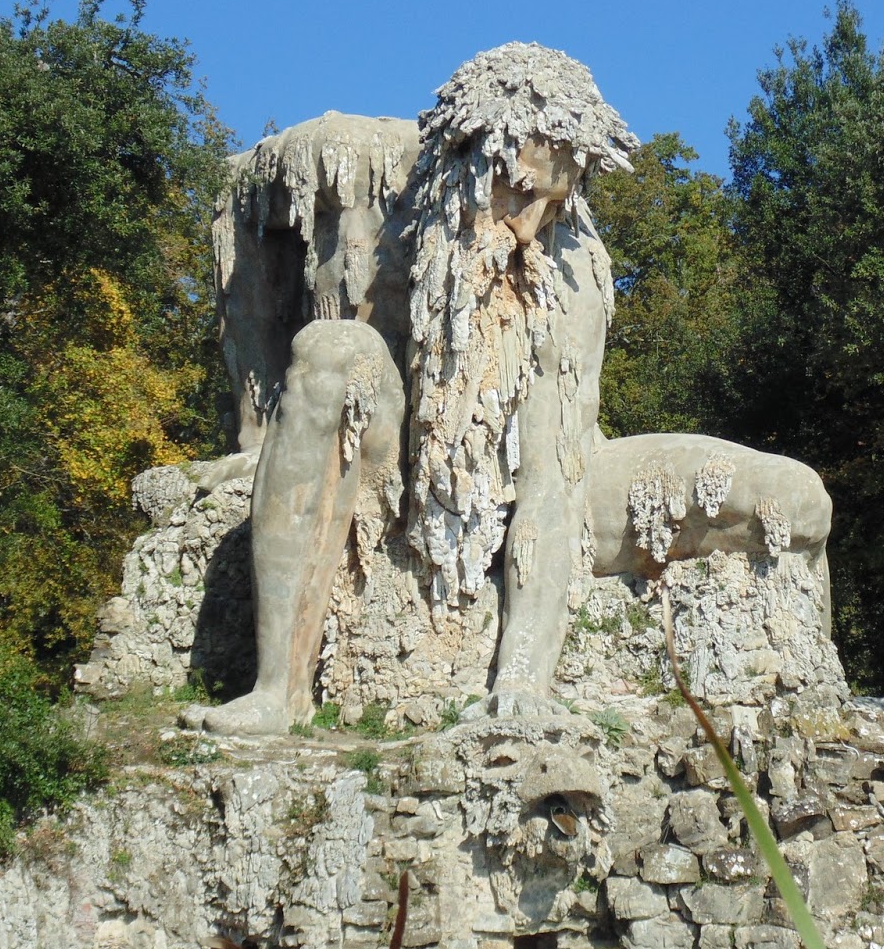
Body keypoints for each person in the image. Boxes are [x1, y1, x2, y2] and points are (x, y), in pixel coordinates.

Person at [195, 44, 829, 736]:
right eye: (522, 193)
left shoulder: (573, 268)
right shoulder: (403, 228)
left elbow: (552, 487)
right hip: (409, 466)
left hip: (571, 480)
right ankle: (274, 691)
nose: (531, 224)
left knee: (800, 503)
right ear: (475, 161)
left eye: (556, 202)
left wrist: (522, 677)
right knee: (327, 353)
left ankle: (817, 708)